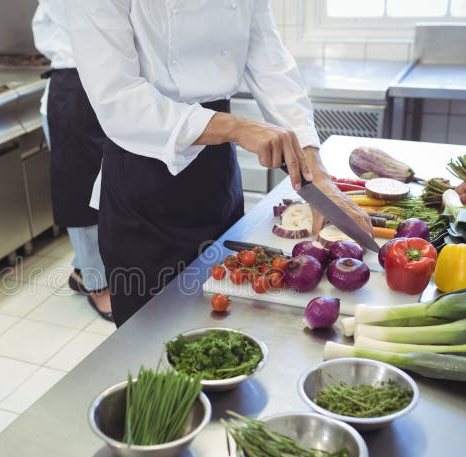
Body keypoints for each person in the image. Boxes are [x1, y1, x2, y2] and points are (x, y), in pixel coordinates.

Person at [67, 1, 373, 327]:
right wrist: (235, 127)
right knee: (152, 336)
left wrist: (316, 173)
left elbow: (272, 64)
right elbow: (117, 98)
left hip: (217, 174)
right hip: (144, 178)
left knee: (224, 316)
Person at [32, 1, 113, 321]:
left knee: (111, 194)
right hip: (74, 91)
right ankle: (97, 284)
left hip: (106, 87)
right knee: (82, 196)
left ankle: (84, 270)